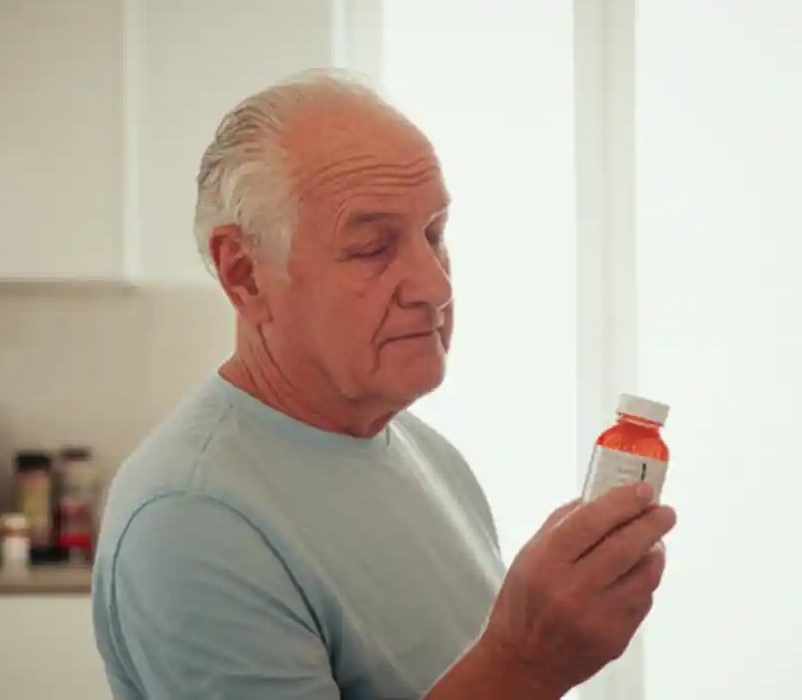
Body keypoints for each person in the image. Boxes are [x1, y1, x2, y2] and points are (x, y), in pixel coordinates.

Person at [91, 70, 677, 700]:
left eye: (435, 235)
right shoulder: (191, 521)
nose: (436, 287)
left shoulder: (423, 451)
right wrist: (526, 662)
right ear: (246, 276)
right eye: (372, 248)